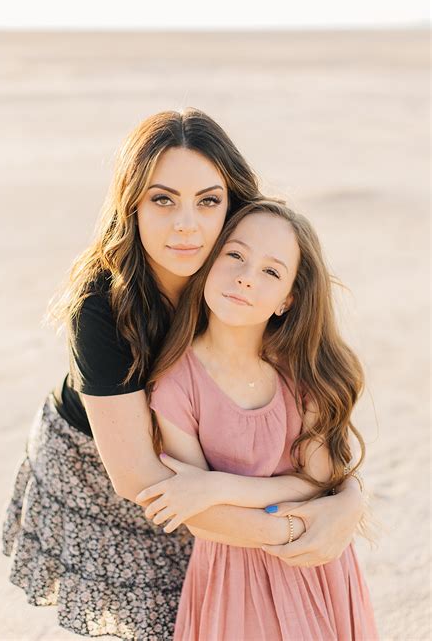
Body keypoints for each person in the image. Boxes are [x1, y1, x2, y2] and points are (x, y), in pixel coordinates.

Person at [2, 109, 368, 639]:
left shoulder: (238, 269)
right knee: (163, 619)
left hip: (204, 478)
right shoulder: (101, 307)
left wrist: (347, 503)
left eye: (208, 201)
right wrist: (301, 527)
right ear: (132, 203)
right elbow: (143, 481)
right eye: (162, 198)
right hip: (110, 467)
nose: (186, 225)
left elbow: (311, 423)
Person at [146, 199, 378, 640]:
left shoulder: (303, 371)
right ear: (210, 262)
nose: (245, 277)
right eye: (234, 255)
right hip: (231, 573)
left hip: (317, 563)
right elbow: (197, 512)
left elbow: (319, 480)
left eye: (271, 272)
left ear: (287, 299)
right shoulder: (176, 382)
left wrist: (220, 486)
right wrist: (222, 498)